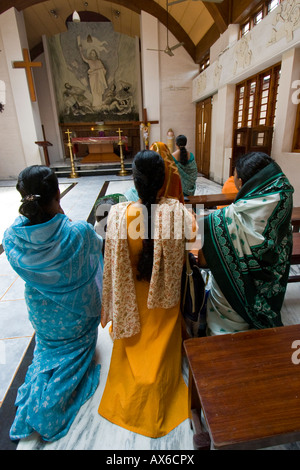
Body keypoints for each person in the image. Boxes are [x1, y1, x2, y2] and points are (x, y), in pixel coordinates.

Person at [98, 150, 196, 437]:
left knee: (131, 347)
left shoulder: (115, 214)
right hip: (164, 305)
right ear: (164, 179)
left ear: (134, 180)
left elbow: (108, 259)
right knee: (164, 334)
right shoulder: (179, 212)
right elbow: (195, 247)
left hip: (133, 304)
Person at [2, 165, 103, 442]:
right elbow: (98, 256)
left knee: (45, 355)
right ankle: (48, 407)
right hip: (78, 325)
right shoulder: (79, 232)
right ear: (58, 193)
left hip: (44, 324)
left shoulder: (12, 239)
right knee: (70, 358)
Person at [198, 152, 294, 335]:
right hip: (268, 307)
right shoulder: (282, 221)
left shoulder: (218, 222)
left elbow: (204, 261)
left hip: (227, 319)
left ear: (242, 184)